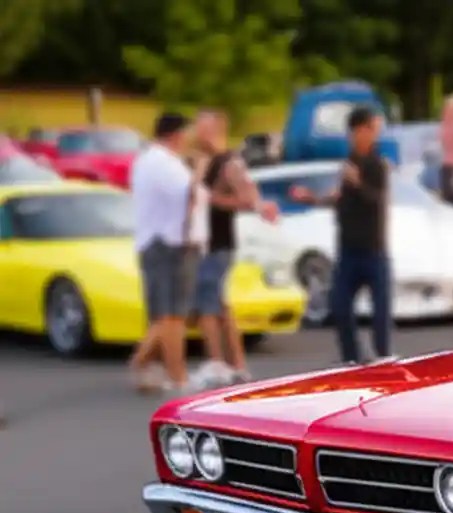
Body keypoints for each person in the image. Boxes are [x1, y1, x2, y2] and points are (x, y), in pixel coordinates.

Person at [290, 106, 392, 364]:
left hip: (373, 247)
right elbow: (340, 199)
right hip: (348, 247)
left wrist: (357, 182)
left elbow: (377, 199)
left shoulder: (377, 165)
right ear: (357, 131)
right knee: (340, 305)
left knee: (380, 311)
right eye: (369, 129)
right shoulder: (349, 163)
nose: (372, 135)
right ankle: (351, 358)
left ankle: (383, 355)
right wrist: (312, 199)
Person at [190, 109, 279, 387]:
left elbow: (246, 195)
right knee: (219, 305)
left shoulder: (229, 162)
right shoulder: (209, 161)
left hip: (218, 244)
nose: (196, 133)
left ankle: (218, 364)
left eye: (202, 128)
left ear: (216, 129)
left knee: (207, 305)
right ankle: (237, 365)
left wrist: (216, 200)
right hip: (209, 243)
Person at [127, 111, 196, 393]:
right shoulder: (163, 163)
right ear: (176, 134)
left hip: (156, 240)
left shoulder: (148, 160)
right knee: (172, 316)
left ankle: (145, 364)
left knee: (165, 314)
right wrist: (201, 169)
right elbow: (188, 193)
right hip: (165, 242)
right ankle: (174, 374)